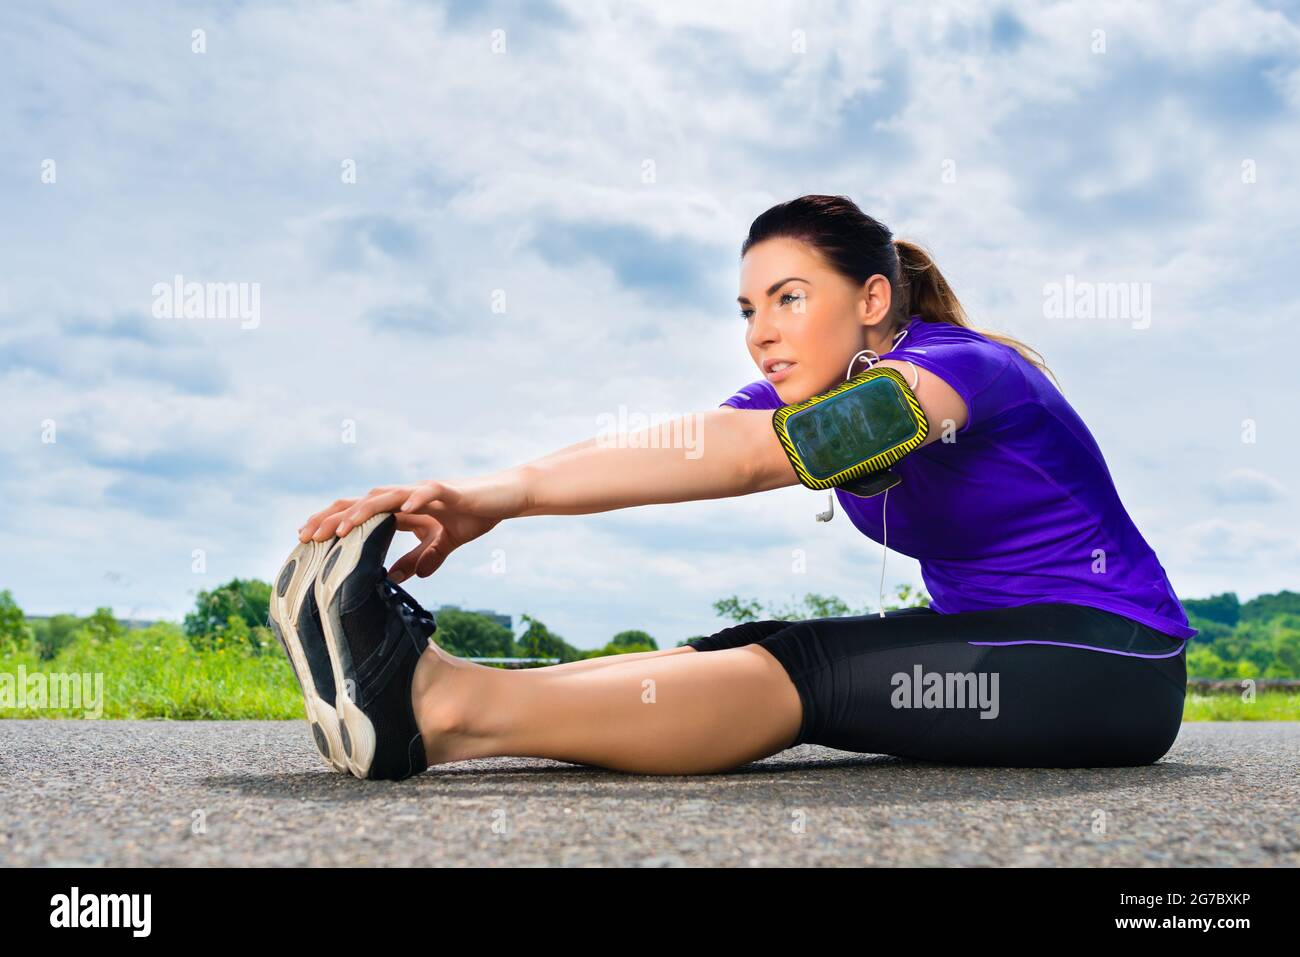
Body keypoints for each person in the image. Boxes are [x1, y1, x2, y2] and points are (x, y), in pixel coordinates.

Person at [292, 193, 1194, 780]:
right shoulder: (805, 387)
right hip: (999, 641)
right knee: (755, 640)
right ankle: (436, 681)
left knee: (808, 671)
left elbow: (757, 454)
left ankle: (439, 714)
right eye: (748, 308)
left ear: (872, 300)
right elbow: (695, 441)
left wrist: (509, 496)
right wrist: (489, 489)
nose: (761, 330)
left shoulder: (962, 370)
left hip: (1113, 661)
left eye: (789, 297)